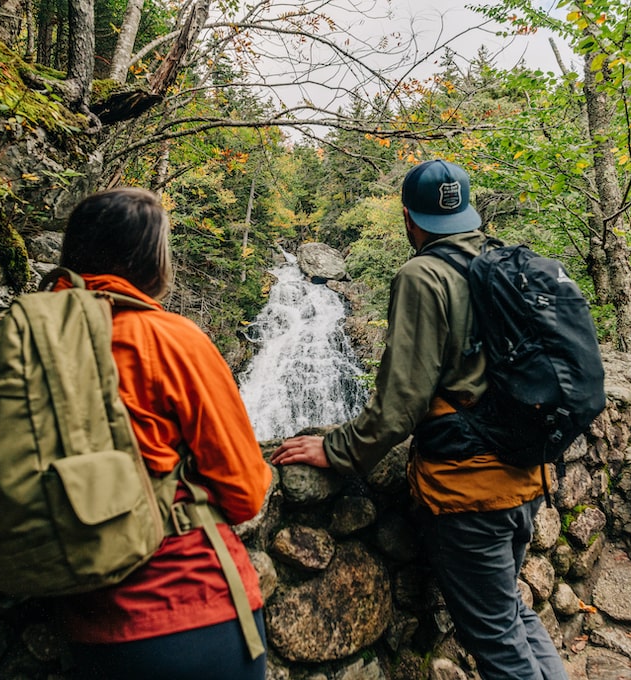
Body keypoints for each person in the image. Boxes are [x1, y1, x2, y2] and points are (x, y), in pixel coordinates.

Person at [271, 160, 569, 680]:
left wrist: (338, 449)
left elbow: (401, 401)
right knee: (513, 614)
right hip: (529, 475)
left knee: (497, 640)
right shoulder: (506, 264)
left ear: (409, 218)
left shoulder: (423, 275)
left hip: (471, 488)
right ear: (468, 209)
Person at [51, 187, 272, 680]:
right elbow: (245, 492)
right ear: (154, 263)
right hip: (192, 605)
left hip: (87, 624)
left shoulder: (20, 341)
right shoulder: (166, 338)